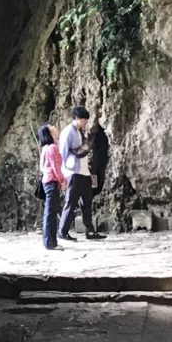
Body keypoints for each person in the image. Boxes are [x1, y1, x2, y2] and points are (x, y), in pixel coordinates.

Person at [58, 105, 93, 242]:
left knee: (87, 202)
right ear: (77, 118)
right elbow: (62, 153)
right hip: (73, 172)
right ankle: (62, 231)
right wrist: (64, 172)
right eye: (84, 120)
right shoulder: (68, 132)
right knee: (71, 203)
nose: (85, 122)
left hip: (84, 172)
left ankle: (90, 231)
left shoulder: (79, 131)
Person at [37, 125, 64, 251]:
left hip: (47, 181)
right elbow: (56, 167)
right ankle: (50, 242)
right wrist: (62, 181)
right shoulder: (53, 147)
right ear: (49, 133)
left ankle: (51, 241)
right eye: (51, 127)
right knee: (50, 214)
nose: (54, 127)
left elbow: (42, 168)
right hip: (52, 182)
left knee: (50, 213)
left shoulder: (45, 148)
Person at [84, 115, 111, 239]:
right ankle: (88, 229)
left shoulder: (91, 141)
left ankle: (89, 229)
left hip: (92, 170)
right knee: (82, 202)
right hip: (89, 172)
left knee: (83, 202)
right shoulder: (91, 141)